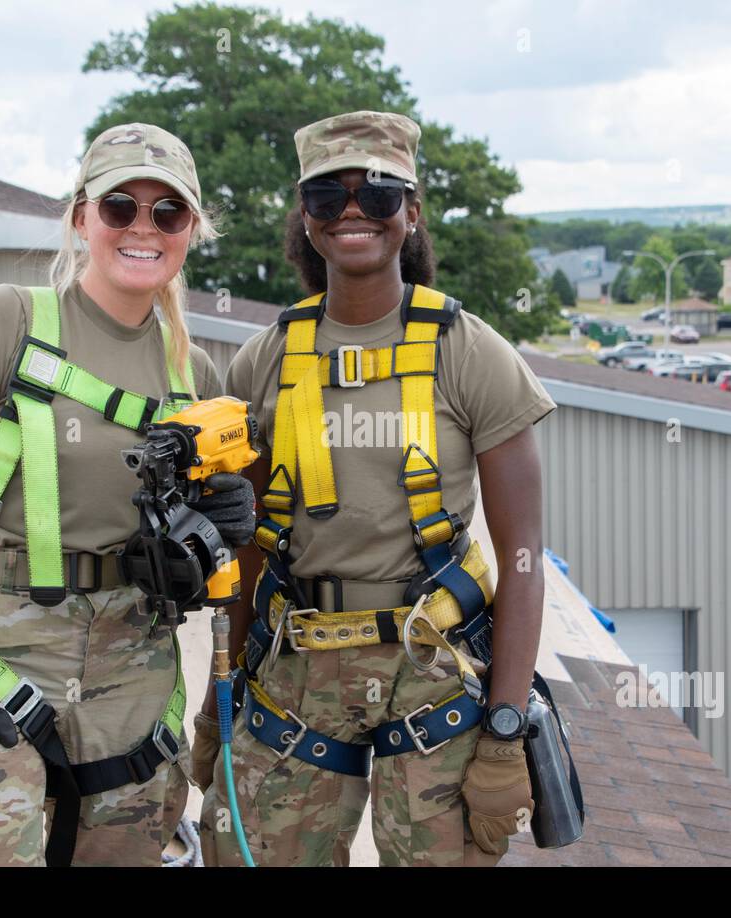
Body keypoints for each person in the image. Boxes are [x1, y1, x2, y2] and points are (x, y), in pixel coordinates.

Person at [0, 122, 254, 866]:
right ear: (82, 217)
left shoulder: (195, 380)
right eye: (120, 206)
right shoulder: (4, 324)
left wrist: (217, 522)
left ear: (190, 231)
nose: (142, 228)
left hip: (132, 666)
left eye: (167, 213)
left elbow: (184, 540)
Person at [195, 111, 556, 867]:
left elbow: (524, 556)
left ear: (413, 213)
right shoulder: (263, 363)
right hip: (292, 667)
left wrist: (505, 726)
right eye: (328, 197)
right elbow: (251, 546)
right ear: (306, 218)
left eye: (380, 193)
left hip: (433, 670)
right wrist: (217, 697)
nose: (353, 210)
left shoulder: (471, 354)